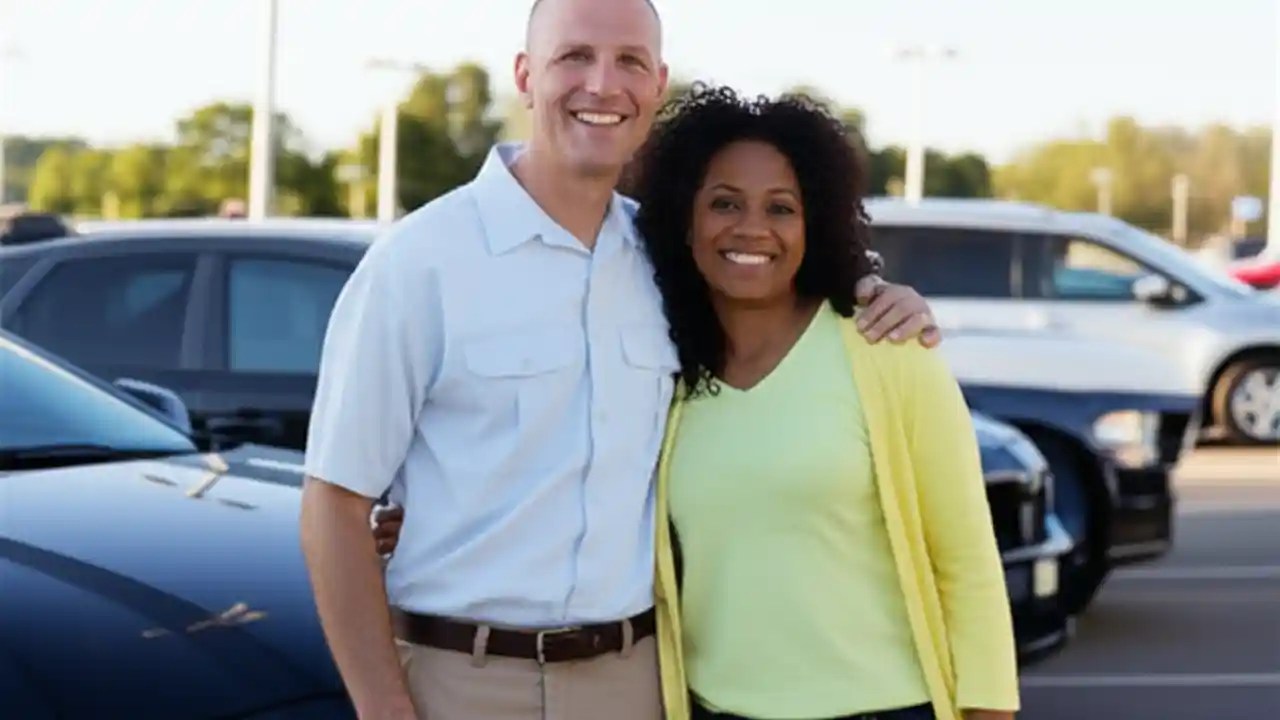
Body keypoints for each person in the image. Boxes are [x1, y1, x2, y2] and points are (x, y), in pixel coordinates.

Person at [301, 1, 939, 720]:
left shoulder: (670, 260)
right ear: (525, 75)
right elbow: (334, 502)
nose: (603, 85)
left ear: (657, 84)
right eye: (574, 56)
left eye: (630, 61)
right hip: (459, 682)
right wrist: (384, 709)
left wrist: (873, 292)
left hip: (636, 684)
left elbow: (775, 296)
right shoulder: (417, 263)